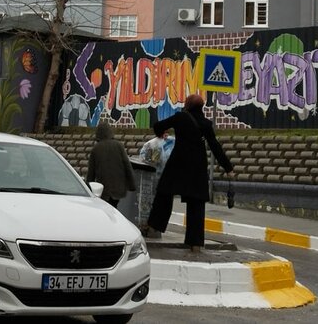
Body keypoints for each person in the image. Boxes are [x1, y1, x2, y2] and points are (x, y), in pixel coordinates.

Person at [144, 94, 233, 252]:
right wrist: (228, 168)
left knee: (164, 193)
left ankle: (153, 227)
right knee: (196, 203)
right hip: (197, 168)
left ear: (187, 105)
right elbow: (215, 146)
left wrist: (161, 134)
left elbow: (158, 125)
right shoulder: (205, 123)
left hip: (178, 163)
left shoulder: (181, 117)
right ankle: (195, 243)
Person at [86, 122, 136, 207]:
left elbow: (91, 172)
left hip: (103, 189)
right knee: (114, 209)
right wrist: (132, 185)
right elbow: (127, 165)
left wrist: (88, 189)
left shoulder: (96, 149)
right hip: (118, 188)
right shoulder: (118, 145)